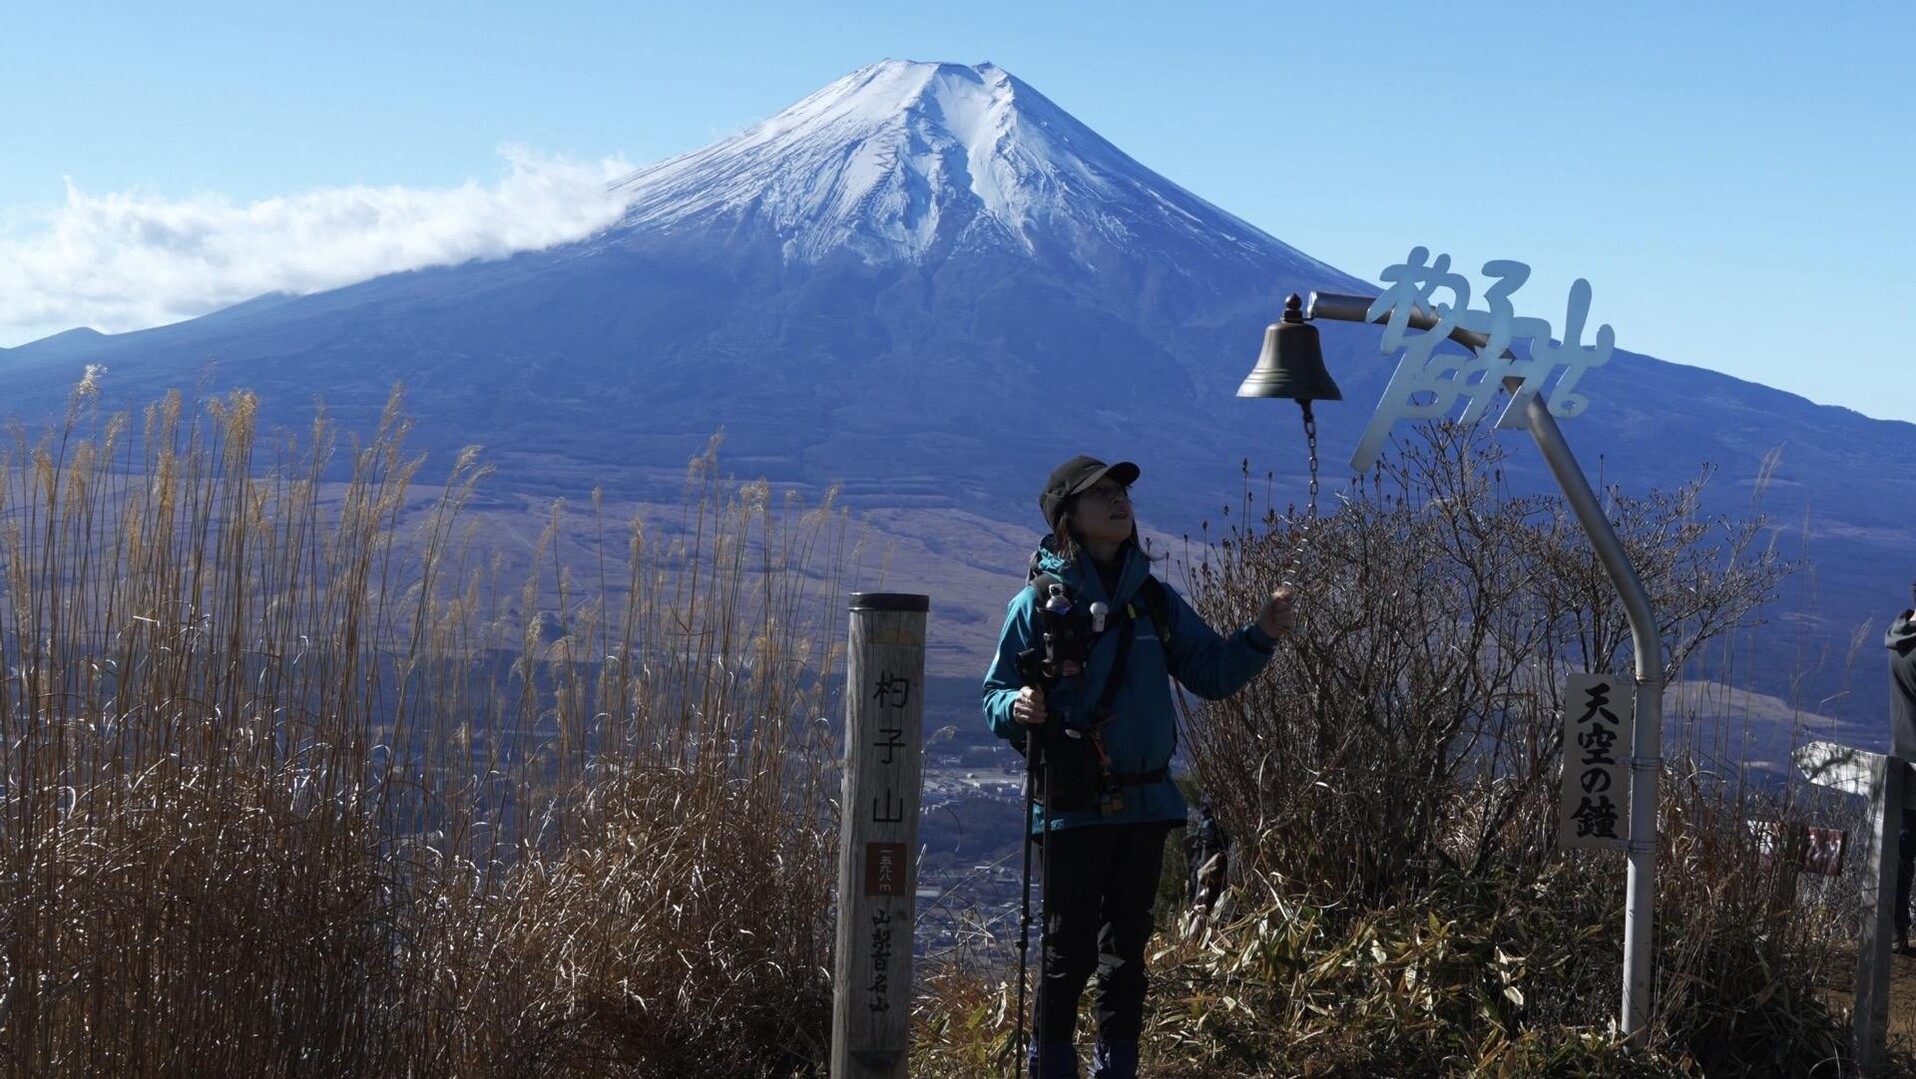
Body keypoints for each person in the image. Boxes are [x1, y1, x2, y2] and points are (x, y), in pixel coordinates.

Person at [982, 455, 1294, 1079]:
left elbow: (1210, 672)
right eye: (1099, 493)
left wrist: (1260, 634)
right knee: (1068, 953)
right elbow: (994, 694)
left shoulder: (1152, 600)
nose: (1118, 500)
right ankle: (1052, 1067)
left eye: (1120, 490)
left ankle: (1115, 1067)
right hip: (1071, 806)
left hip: (1147, 805)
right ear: (1068, 517)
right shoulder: (1036, 604)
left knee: (1126, 956)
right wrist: (1015, 706)